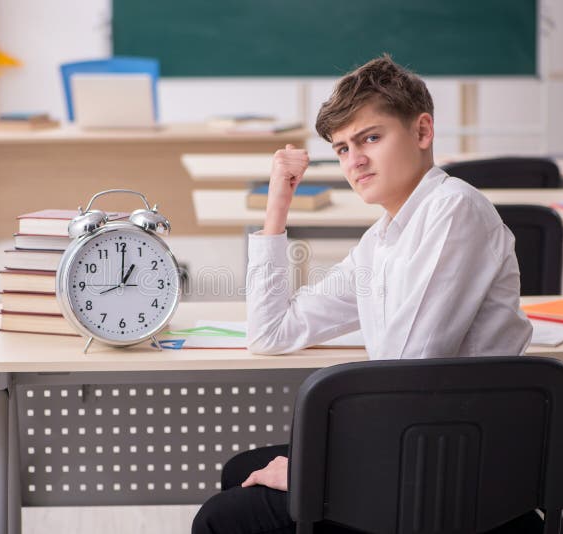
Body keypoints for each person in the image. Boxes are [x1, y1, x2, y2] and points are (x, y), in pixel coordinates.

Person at [191, 55, 534, 534]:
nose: (355, 160)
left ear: (422, 131)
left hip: (450, 468)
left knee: (222, 518)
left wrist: (315, 472)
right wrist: (277, 206)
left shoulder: (453, 209)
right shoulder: (382, 239)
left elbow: (408, 374)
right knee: (239, 472)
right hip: (411, 440)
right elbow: (271, 332)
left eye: (370, 138)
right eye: (342, 148)